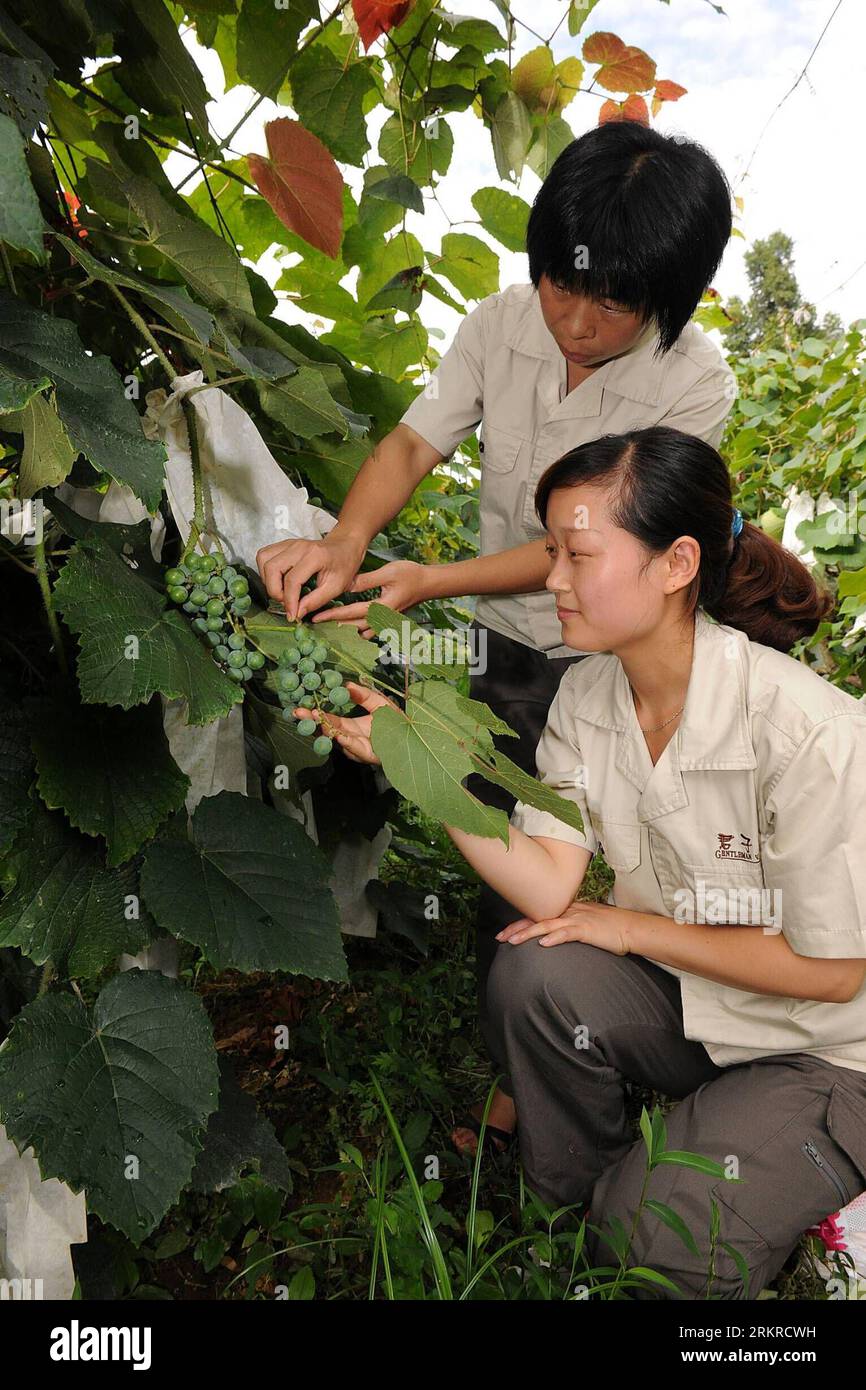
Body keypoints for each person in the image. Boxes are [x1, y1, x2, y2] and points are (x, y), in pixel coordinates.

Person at [289, 425, 866, 1300]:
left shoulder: (809, 732)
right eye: (551, 550)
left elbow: (833, 976)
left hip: (829, 1052)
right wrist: (414, 756)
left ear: (676, 565)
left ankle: (664, 1217)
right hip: (712, 1004)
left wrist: (633, 928)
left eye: (577, 554)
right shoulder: (591, 693)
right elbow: (551, 880)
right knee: (535, 971)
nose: (551, 578)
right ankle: (571, 1224)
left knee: (662, 1246)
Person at [258, 120, 737, 1157]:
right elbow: (410, 440)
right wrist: (344, 541)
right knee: (504, 841)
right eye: (561, 285)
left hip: (603, 649)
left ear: (670, 292)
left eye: (611, 301)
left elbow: (588, 546)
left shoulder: (693, 384)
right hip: (498, 640)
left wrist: (424, 578)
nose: (575, 319)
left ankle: (634, 1045)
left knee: (587, 858)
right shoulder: (500, 323)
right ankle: (523, 1036)